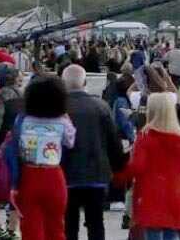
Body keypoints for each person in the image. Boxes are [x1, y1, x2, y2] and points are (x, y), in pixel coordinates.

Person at [113, 92, 180, 240]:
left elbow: (137, 166)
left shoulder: (145, 137)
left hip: (150, 195)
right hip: (175, 194)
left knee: (153, 234)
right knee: (172, 234)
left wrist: (119, 176)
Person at [60, 64, 126, 240]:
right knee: (96, 222)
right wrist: (118, 166)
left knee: (68, 224)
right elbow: (113, 142)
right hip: (96, 173)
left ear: (63, 83)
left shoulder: (57, 108)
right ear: (85, 82)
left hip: (65, 175)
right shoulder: (101, 106)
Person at [7, 74, 75, 240]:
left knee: (30, 228)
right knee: (56, 228)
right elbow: (70, 142)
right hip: (54, 175)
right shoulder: (62, 121)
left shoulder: (22, 120)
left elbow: (14, 145)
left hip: (28, 176)